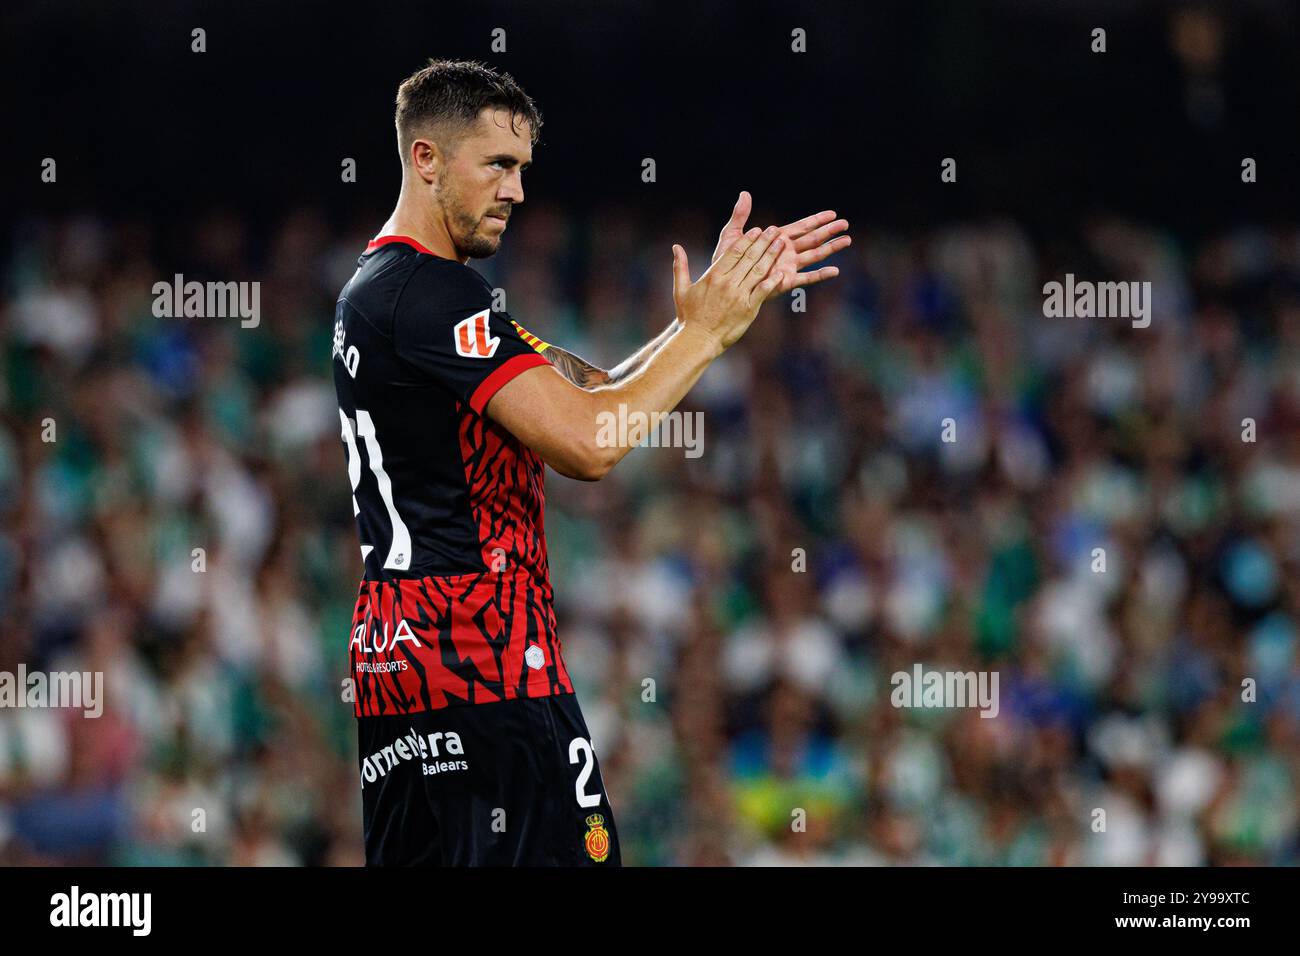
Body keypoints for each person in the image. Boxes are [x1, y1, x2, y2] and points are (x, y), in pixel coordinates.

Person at [332, 58, 850, 865]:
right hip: (488, 663)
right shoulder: (432, 295)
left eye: (523, 169)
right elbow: (591, 441)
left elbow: (596, 389)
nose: (517, 191)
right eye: (498, 165)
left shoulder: (381, 292)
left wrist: (704, 319)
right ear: (425, 159)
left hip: (398, 667)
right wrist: (707, 335)